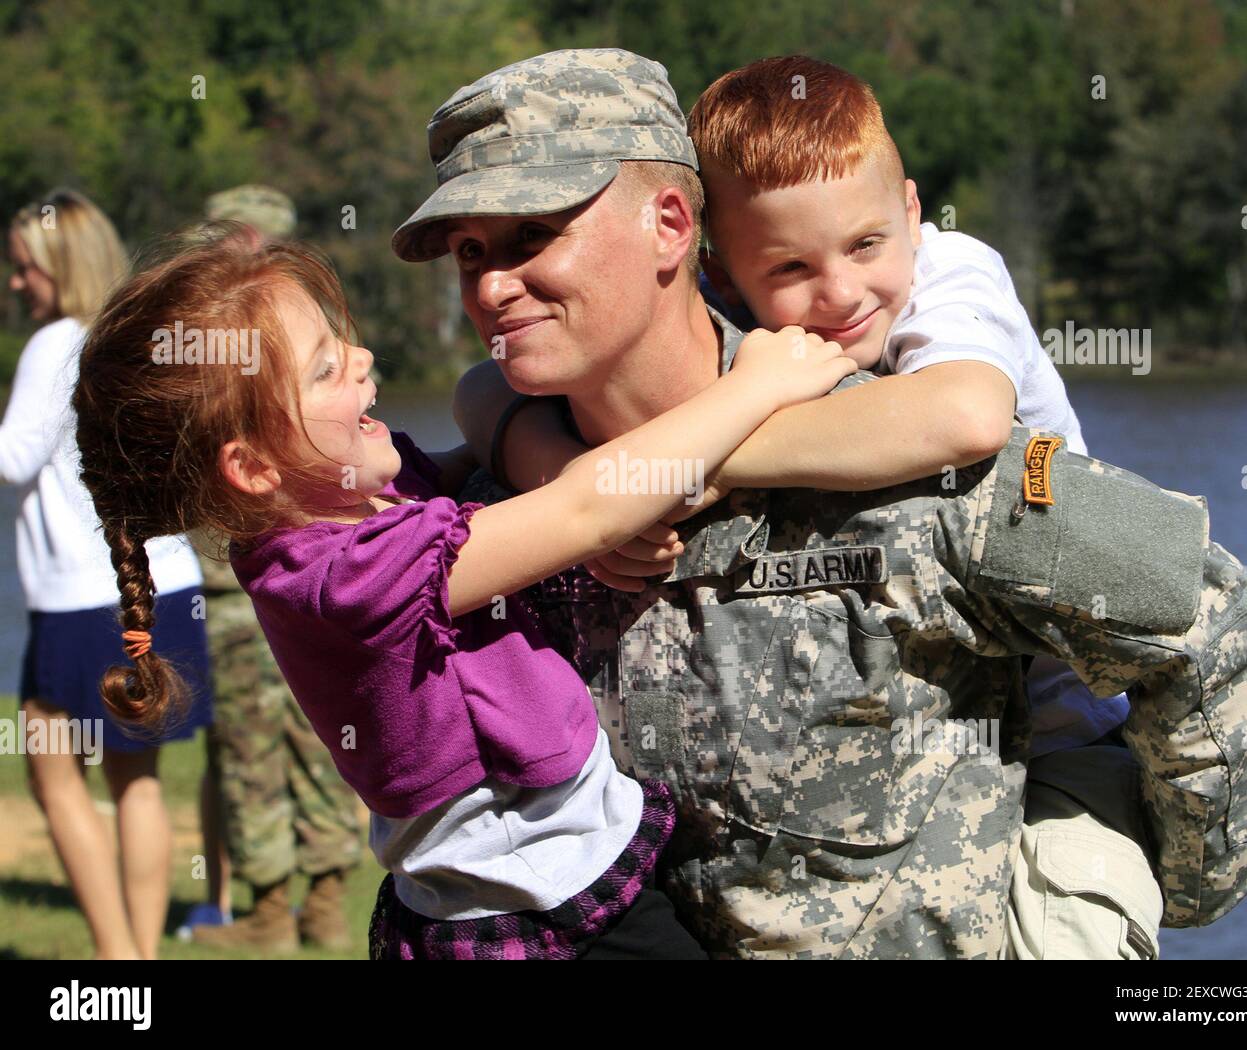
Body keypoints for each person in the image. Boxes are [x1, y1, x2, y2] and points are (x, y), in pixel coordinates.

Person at [394, 48, 1247, 958]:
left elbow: (1209, 614)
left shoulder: (909, 455)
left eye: (532, 237)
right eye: (470, 253)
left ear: (671, 226)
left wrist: (1148, 884)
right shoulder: (499, 515)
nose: (491, 287)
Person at [69, 230, 855, 959]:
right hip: (535, 906)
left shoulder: (356, 499)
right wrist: (755, 385)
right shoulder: (343, 573)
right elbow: (584, 506)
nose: (362, 356)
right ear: (253, 468)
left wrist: (565, 492)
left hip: (548, 872)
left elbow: (496, 468)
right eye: (323, 368)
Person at [1, 188, 212, 959]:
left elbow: (12, 457)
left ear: (59, 264)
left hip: (81, 599)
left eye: (24, 268)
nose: (15, 282)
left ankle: (118, 961)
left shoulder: (54, 341)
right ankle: (144, 963)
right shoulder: (135, 338)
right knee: (138, 782)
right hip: (159, 588)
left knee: (54, 780)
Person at [176, 189, 365, 955]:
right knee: (312, 741)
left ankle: (273, 912)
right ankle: (317, 902)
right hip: (310, 577)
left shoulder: (230, 341)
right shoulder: (320, 332)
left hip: (248, 587)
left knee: (257, 753)